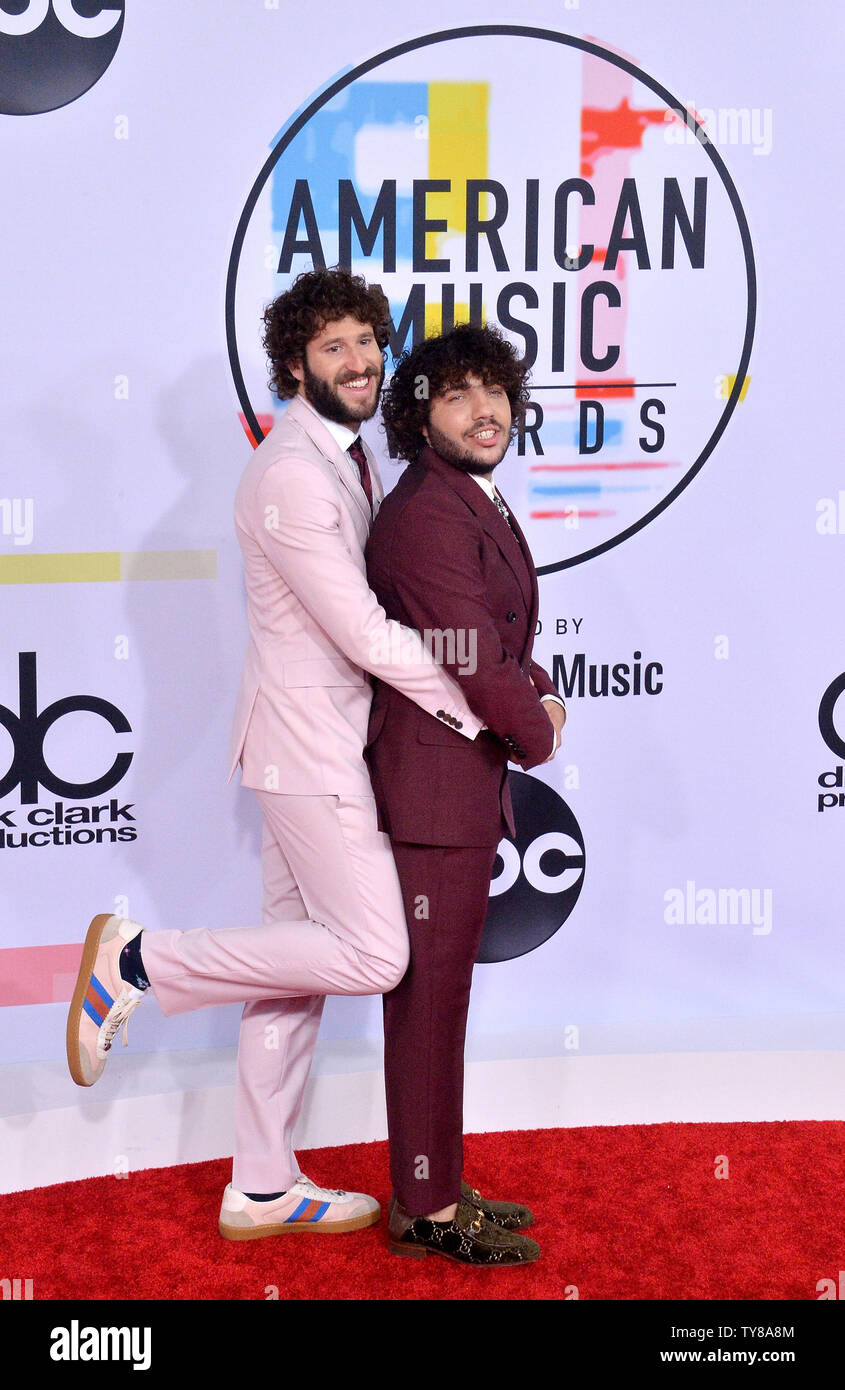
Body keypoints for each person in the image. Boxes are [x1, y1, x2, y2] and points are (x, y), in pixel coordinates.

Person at [66, 268, 486, 1241]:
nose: (356, 359)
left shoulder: (344, 453)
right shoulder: (294, 473)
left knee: (294, 973)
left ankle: (259, 1180)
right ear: (293, 364)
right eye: (331, 345)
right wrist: (471, 704)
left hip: (316, 742)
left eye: (365, 341)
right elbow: (362, 630)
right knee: (378, 951)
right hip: (311, 749)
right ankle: (137, 960)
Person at [364, 322, 566, 1266]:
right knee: (427, 1000)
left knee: (441, 1000)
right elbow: (472, 655)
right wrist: (539, 728)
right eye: (457, 395)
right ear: (421, 415)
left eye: (494, 391)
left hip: (461, 779)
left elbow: (501, 634)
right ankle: (422, 1210)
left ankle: (433, 1182)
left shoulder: (473, 498)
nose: (484, 411)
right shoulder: (424, 515)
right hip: (432, 787)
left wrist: (543, 691)